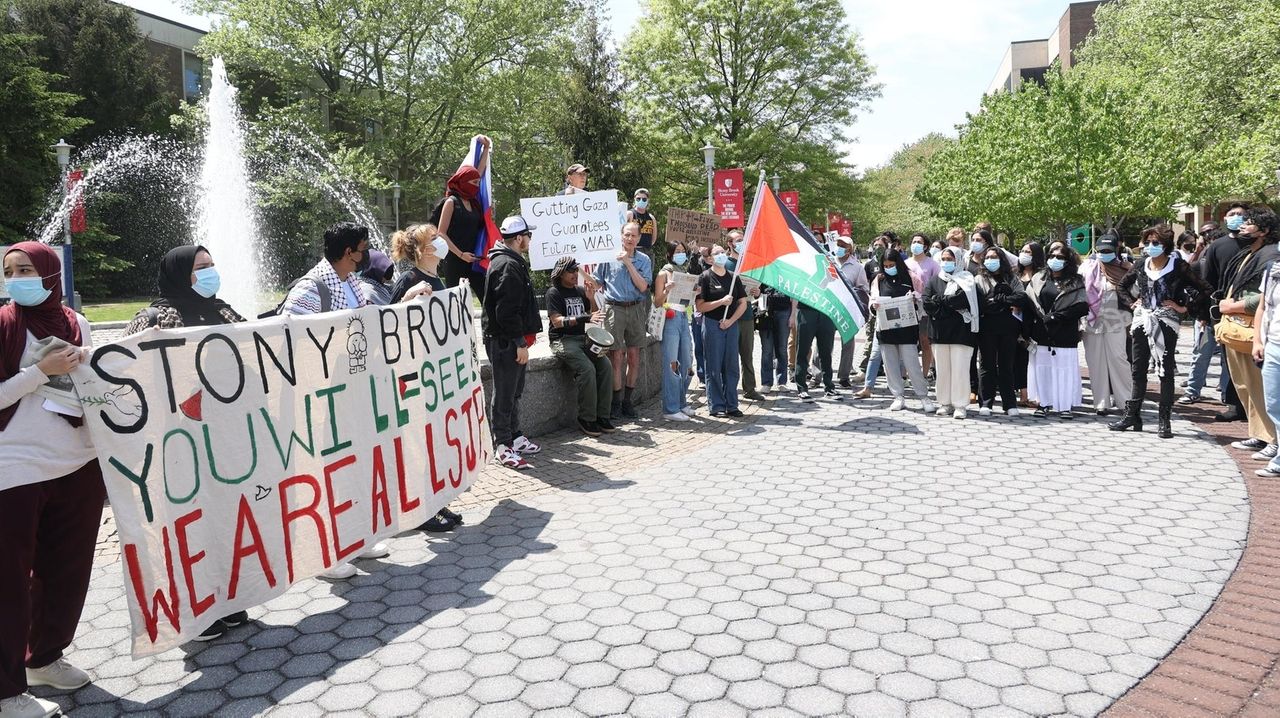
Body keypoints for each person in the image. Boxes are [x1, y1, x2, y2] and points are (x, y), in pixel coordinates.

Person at [122, 246, 259, 639]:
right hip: (176, 441)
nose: (210, 272)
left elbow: (258, 343)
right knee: (189, 523)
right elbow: (122, 370)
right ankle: (192, 609)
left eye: (212, 265)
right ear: (181, 273)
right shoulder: (152, 318)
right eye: (201, 267)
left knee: (224, 517)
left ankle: (225, 597)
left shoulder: (223, 310)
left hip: (222, 438)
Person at [0, 242, 103, 718]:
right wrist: (38, 373)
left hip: (76, 462)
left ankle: (44, 657)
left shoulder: (73, 321)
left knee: (67, 568)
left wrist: (90, 362)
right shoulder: (3, 326)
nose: (16, 277)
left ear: (49, 273)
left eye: (26, 269)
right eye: (9, 270)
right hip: (15, 468)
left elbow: (95, 383)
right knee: (10, 582)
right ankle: (6, 690)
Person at [280, 224, 393, 575]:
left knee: (351, 468)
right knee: (327, 473)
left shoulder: (352, 283)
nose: (365, 256)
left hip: (349, 393)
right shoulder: (310, 289)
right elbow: (286, 340)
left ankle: (355, 539)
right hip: (322, 398)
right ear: (348, 253)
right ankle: (325, 554)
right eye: (361, 249)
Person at [1110, 224, 1210, 438]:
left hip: (1166, 322)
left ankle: (1164, 421)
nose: (1150, 246)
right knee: (1138, 368)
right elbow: (1121, 287)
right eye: (1147, 242)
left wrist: (1184, 308)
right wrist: (1132, 303)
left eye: (1156, 243)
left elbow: (1204, 289)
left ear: (1165, 245)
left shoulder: (1178, 265)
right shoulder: (1140, 264)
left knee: (1165, 370)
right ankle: (1132, 415)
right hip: (1141, 320)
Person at [1216, 206, 1280, 458]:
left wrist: (1234, 306)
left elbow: (1264, 299)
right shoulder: (1250, 253)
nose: (1241, 225)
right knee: (1245, 385)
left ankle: (1272, 439)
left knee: (1262, 388)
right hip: (1237, 328)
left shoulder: (1270, 256)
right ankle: (1259, 434)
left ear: (1264, 231)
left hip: (1252, 330)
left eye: (1248, 222)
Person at [483, 216, 543, 469]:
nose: (529, 239)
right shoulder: (507, 265)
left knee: (514, 391)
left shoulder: (510, 261)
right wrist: (519, 342)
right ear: (519, 238)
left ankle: (515, 436)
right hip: (505, 341)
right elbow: (505, 312)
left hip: (510, 340)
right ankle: (502, 445)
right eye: (527, 235)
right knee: (505, 393)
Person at [546, 257, 616, 436]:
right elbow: (557, 321)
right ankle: (587, 418)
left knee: (606, 366)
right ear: (561, 273)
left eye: (576, 271)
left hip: (583, 338)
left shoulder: (579, 291)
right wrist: (584, 318)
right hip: (562, 340)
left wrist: (591, 299)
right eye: (571, 271)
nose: (575, 274)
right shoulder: (554, 293)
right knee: (587, 368)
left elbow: (593, 315)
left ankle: (602, 415)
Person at [1197, 203, 1252, 421]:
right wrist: (1203, 313)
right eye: (1232, 214)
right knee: (1229, 361)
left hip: (1252, 309)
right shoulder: (1217, 246)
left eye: (1241, 214)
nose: (1236, 218)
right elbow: (1206, 282)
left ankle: (1254, 406)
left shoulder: (1257, 245)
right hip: (1223, 311)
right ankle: (1234, 404)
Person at [592, 221, 653, 419]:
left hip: (635, 308)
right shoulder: (607, 257)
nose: (629, 239)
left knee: (634, 358)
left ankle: (628, 401)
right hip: (613, 309)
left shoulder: (643, 260)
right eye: (627, 235)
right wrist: (586, 283)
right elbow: (596, 282)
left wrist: (627, 262)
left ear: (638, 238)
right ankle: (615, 403)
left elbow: (643, 287)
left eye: (633, 236)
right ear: (621, 235)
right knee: (616, 357)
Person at [1027, 243, 1089, 419]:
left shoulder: (1076, 281)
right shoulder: (1039, 277)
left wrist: (1057, 316)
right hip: (1042, 331)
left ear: (1067, 260)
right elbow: (1030, 300)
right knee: (1042, 369)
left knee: (1064, 369)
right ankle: (1043, 403)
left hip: (1064, 331)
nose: (1055, 260)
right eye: (1052, 256)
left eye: (1060, 257)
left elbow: (1082, 307)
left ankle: (1065, 406)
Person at [870, 249, 933, 413]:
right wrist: (874, 305)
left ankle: (923, 396)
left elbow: (922, 298)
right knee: (890, 365)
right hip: (886, 329)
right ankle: (898, 396)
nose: (889, 268)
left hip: (907, 328)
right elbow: (873, 298)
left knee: (912, 363)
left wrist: (915, 298)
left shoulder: (911, 277)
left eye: (892, 265)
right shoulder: (879, 279)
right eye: (886, 265)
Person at [923, 246, 981, 419]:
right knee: (943, 370)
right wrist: (946, 304)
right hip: (939, 332)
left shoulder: (967, 279)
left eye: (950, 259)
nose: (947, 262)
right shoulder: (934, 280)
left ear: (958, 261)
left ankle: (960, 405)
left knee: (960, 369)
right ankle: (944, 403)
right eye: (944, 259)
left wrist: (942, 302)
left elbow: (963, 301)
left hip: (961, 333)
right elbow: (928, 303)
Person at [1081, 234, 1134, 416]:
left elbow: (1136, 291)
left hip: (1117, 321)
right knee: (1095, 362)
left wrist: (1131, 270)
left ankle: (1125, 401)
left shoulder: (1125, 269)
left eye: (1108, 251)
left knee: (1119, 359)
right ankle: (1101, 402)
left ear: (1116, 250)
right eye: (1101, 251)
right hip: (1091, 323)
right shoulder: (1087, 268)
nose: (1104, 254)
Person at [433, 135, 492, 296]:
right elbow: (441, 233)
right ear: (463, 183)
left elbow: (478, 173)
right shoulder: (451, 202)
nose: (477, 186)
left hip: (474, 260)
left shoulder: (473, 203)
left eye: (478, 183)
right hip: (455, 260)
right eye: (473, 183)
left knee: (486, 295)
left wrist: (486, 148)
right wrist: (460, 254)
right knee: (456, 301)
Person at [696, 245, 748, 417]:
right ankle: (717, 405)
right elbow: (700, 306)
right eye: (716, 253)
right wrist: (721, 302)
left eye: (722, 253)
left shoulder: (734, 278)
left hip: (730, 326)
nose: (721, 255)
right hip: (712, 325)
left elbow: (743, 303)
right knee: (714, 366)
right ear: (709, 258)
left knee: (731, 366)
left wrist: (730, 321)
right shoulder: (704, 278)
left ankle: (732, 404)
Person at [974, 246, 1027, 416]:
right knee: (986, 364)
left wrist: (1000, 300)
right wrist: (1001, 303)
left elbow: (1021, 297)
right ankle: (986, 403)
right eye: (988, 257)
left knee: (1006, 365)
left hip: (1008, 328)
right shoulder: (979, 279)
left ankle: (1009, 404)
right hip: (987, 327)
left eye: (994, 257)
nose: (990, 260)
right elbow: (980, 302)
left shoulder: (1012, 278)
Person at [1251, 214, 1280, 476]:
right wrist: (1258, 339)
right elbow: (1262, 306)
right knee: (1274, 403)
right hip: (1273, 344)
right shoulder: (1273, 270)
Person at [653, 243, 696, 420]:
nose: (681, 254)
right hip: (669, 318)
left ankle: (681, 402)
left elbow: (689, 301)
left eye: (683, 251)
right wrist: (666, 289)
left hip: (683, 317)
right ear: (670, 254)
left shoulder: (685, 273)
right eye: (677, 251)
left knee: (686, 362)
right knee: (672, 363)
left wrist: (695, 292)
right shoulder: (663, 273)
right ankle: (670, 409)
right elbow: (657, 302)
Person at [725, 231, 764, 401]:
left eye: (743, 240)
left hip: (747, 315)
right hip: (730, 316)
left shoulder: (749, 264)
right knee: (730, 356)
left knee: (747, 354)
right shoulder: (725, 264)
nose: (741, 243)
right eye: (738, 240)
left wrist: (757, 292)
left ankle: (750, 388)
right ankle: (730, 390)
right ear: (729, 244)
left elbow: (756, 292)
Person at [836, 236, 870, 388]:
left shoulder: (857, 267)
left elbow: (864, 289)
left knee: (848, 342)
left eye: (843, 245)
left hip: (847, 310)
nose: (839, 247)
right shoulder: (829, 262)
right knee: (823, 342)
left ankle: (843, 376)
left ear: (850, 248)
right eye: (838, 244)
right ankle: (819, 376)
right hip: (830, 306)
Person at [1016, 242, 1046, 407]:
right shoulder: (1016, 275)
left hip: (1036, 323)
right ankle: (1024, 393)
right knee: (1020, 360)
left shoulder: (1042, 275)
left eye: (1028, 251)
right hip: (1017, 323)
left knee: (1036, 359)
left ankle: (1038, 395)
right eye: (1022, 251)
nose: (1024, 254)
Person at [906, 233, 940, 380]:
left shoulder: (932, 264)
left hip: (925, 309)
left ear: (925, 246)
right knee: (909, 344)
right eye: (914, 241)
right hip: (908, 308)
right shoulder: (906, 263)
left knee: (925, 341)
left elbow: (937, 285)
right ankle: (908, 374)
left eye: (919, 242)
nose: (916, 244)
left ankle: (924, 375)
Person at [390, 224, 448, 303]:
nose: (441, 239)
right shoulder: (408, 278)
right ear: (425, 250)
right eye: (434, 238)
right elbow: (389, 313)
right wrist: (409, 295)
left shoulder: (436, 278)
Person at [758, 282, 792, 392]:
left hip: (784, 312)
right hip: (766, 314)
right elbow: (755, 294)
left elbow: (794, 296)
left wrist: (793, 315)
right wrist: (757, 294)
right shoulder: (763, 272)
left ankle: (782, 382)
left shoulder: (786, 273)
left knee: (782, 349)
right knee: (767, 350)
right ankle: (766, 382)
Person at [626, 188, 659, 259]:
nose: (641, 201)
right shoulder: (629, 214)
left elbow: (653, 238)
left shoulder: (651, 218)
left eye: (644, 199)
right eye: (638, 199)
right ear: (634, 199)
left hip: (647, 251)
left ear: (647, 200)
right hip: (633, 250)